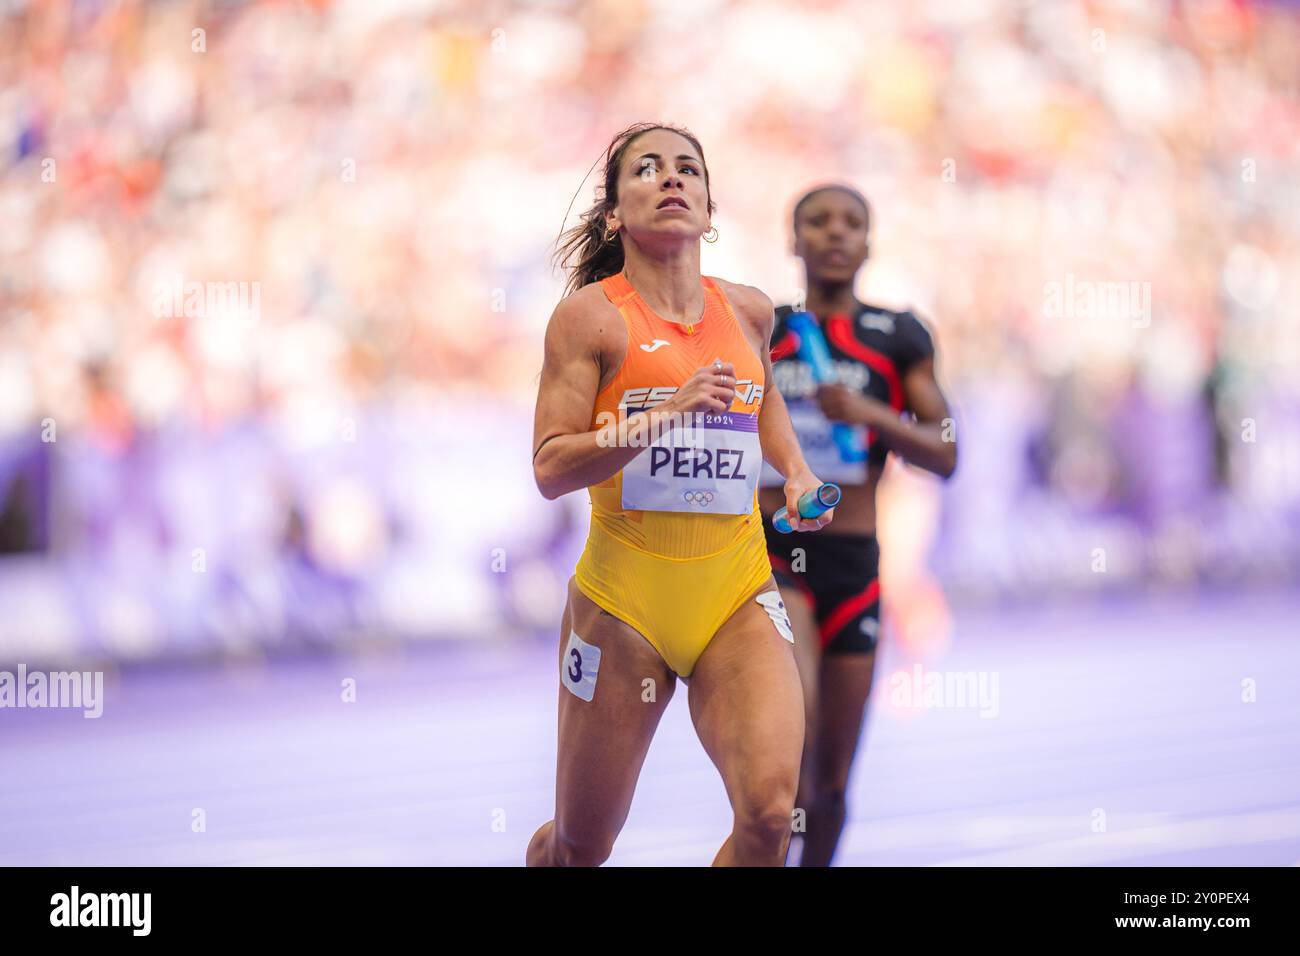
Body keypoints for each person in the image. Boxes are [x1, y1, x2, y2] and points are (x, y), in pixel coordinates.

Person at [527, 123, 832, 866]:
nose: (672, 179)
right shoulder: (590, 319)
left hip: (735, 591)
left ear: (708, 206)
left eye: (688, 170)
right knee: (581, 843)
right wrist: (663, 417)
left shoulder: (750, 311)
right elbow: (550, 467)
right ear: (613, 214)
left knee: (769, 814)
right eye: (648, 169)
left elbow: (760, 400)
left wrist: (795, 473)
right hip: (623, 603)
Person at [759, 184, 958, 866]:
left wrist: (868, 415)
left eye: (851, 223)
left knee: (832, 784)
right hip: (774, 557)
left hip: (854, 564)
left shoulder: (899, 334)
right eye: (816, 221)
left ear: (869, 243)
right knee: (795, 745)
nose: (834, 234)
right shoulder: (763, 328)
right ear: (794, 240)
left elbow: (946, 450)